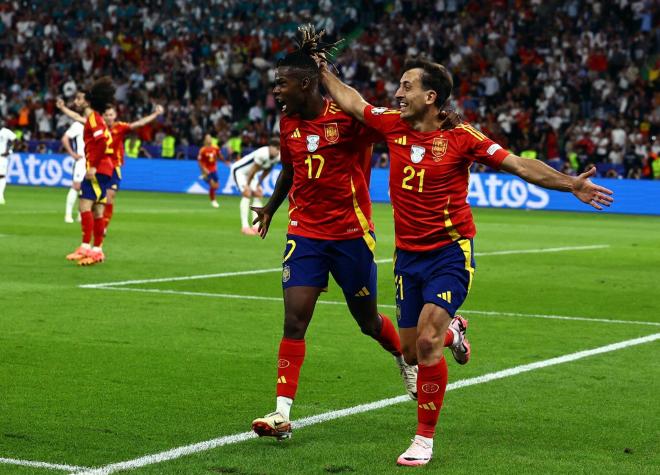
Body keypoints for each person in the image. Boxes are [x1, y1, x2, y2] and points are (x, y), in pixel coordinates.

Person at [318, 56, 614, 466]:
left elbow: (518, 164)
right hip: (407, 257)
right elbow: (352, 102)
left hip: (450, 253)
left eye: (406, 87)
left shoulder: (461, 137)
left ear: (430, 96)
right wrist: (322, 72)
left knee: (425, 343)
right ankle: (455, 332)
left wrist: (570, 184)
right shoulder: (391, 125)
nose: (398, 93)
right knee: (407, 351)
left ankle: (423, 439)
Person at [249, 46, 464, 441]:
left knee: (368, 322)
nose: (276, 91)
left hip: (351, 235)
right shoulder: (287, 124)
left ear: (306, 83)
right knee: (295, 320)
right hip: (305, 232)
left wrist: (441, 122)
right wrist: (270, 207)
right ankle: (281, 414)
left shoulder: (347, 120)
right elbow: (289, 168)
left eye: (282, 83)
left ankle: (405, 355)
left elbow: (399, 123)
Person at [58, 102, 164, 232]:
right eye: (107, 115)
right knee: (93, 200)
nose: (109, 117)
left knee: (109, 196)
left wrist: (156, 114)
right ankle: (92, 223)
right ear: (103, 115)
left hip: (113, 166)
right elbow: (76, 117)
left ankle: (103, 227)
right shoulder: (97, 124)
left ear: (115, 116)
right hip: (97, 166)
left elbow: (139, 123)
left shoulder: (120, 127)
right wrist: (62, 108)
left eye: (111, 114)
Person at [65, 77, 117, 266]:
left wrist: (93, 165)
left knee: (84, 206)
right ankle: (96, 250)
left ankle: (87, 247)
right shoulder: (94, 118)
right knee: (97, 209)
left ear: (87, 101)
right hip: (105, 168)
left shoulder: (94, 118)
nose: (76, 102)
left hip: (99, 168)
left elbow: (102, 141)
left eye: (79, 99)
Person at [229, 137, 280, 235]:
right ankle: (244, 226)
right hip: (240, 171)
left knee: (258, 193)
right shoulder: (262, 153)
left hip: (252, 173)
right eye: (276, 148)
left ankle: (255, 226)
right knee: (247, 193)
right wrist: (248, 185)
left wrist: (259, 183)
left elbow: (267, 169)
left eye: (279, 149)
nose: (278, 151)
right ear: (270, 147)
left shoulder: (277, 157)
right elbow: (253, 169)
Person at [57, 92, 87, 222]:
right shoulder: (78, 125)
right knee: (76, 186)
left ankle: (81, 214)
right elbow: (65, 138)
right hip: (81, 160)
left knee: (87, 188)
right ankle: (68, 215)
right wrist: (73, 154)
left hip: (92, 160)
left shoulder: (92, 124)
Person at [197, 134, 222, 208]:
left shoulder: (215, 148)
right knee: (212, 184)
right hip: (206, 171)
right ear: (205, 140)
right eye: (207, 138)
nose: (209, 139)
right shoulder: (202, 150)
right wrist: (203, 169)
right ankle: (213, 201)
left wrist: (224, 161)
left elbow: (218, 155)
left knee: (216, 186)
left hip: (214, 170)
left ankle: (212, 198)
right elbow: (199, 161)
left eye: (210, 138)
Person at [0, 122, 16, 205]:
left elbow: (15, 139)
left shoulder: (5, 132)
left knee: (1, 176)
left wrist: (9, 151)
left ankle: (0, 196)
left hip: (1, 156)